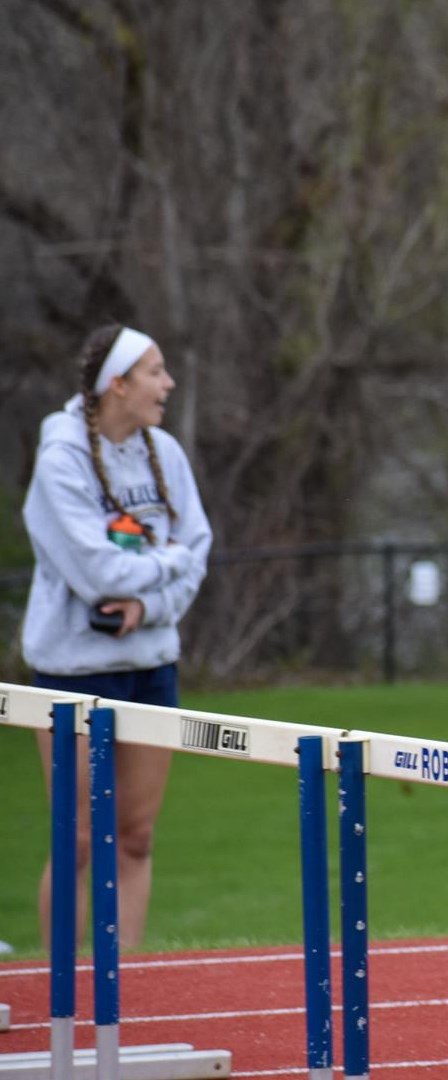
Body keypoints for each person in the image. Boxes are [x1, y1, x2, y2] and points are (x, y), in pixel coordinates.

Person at [24, 324, 213, 952]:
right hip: (72, 674)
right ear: (118, 384)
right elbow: (97, 571)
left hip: (150, 667)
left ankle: (130, 985)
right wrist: (167, 563)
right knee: (78, 837)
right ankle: (61, 991)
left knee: (135, 836)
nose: (169, 384)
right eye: (156, 371)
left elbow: (199, 547)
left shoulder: (166, 454)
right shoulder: (61, 460)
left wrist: (150, 601)